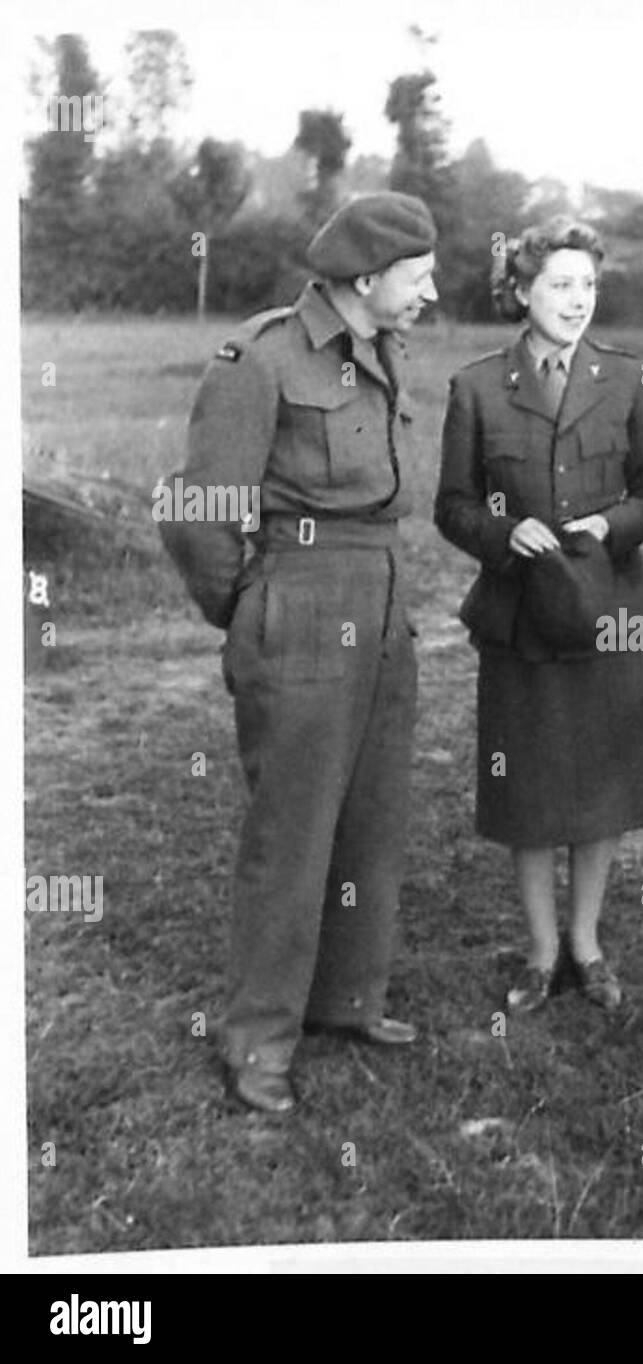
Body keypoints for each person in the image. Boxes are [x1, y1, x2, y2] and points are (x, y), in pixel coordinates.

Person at [160, 192, 438, 1114]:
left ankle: (346, 1000)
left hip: (382, 593)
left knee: (371, 814)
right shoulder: (263, 355)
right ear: (367, 279)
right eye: (418, 273)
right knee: (292, 831)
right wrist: (246, 607)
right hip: (303, 598)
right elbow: (196, 507)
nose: (432, 289)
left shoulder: (383, 349)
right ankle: (257, 1039)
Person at [435, 217, 643, 1015]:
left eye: (588, 285)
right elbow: (453, 506)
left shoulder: (630, 377)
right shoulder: (476, 387)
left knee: (603, 783)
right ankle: (541, 952)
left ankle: (588, 944)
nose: (579, 301)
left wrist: (611, 527)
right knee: (531, 789)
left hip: (611, 609)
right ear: (521, 292)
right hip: (521, 616)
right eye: (561, 285)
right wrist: (506, 534)